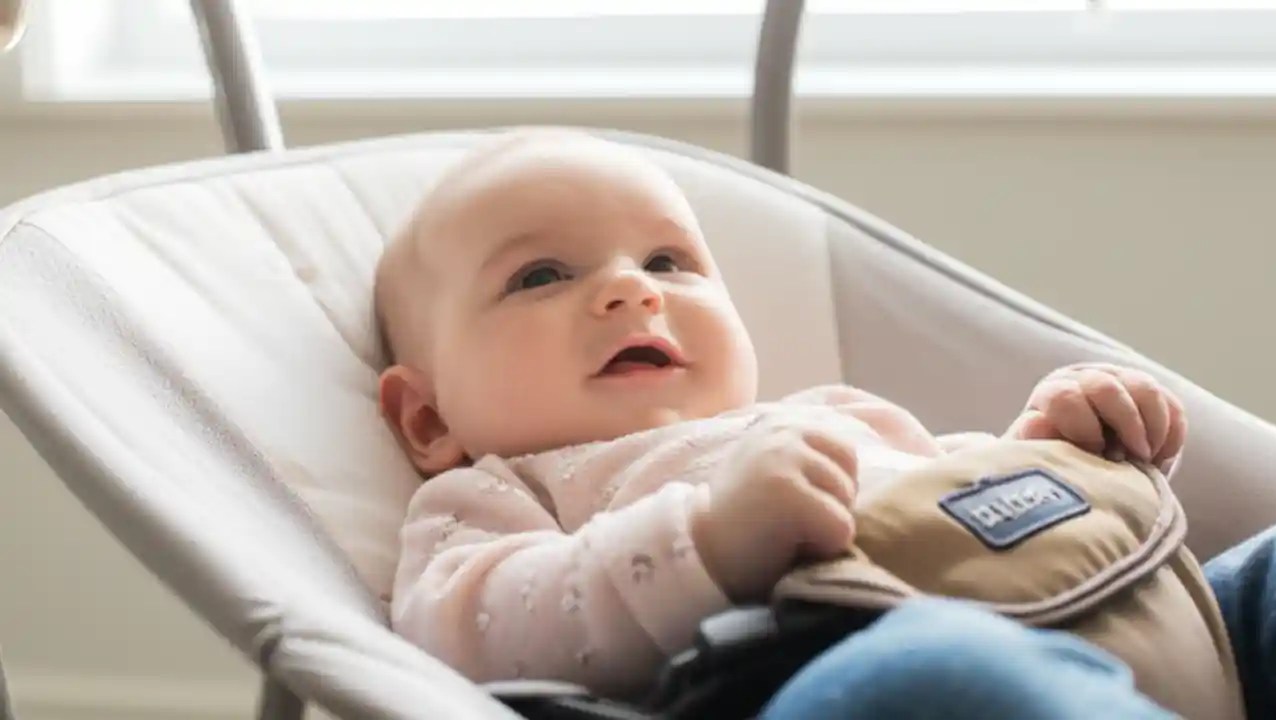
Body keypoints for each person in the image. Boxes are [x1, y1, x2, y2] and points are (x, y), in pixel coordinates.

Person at [373, 129, 1209, 715]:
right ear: (427, 417)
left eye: (667, 261)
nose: (634, 290)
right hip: (863, 682)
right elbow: (475, 638)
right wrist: (707, 541)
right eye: (541, 275)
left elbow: (955, 516)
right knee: (938, 672)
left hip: (1135, 626)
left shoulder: (828, 418)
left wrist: (1059, 449)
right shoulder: (491, 497)